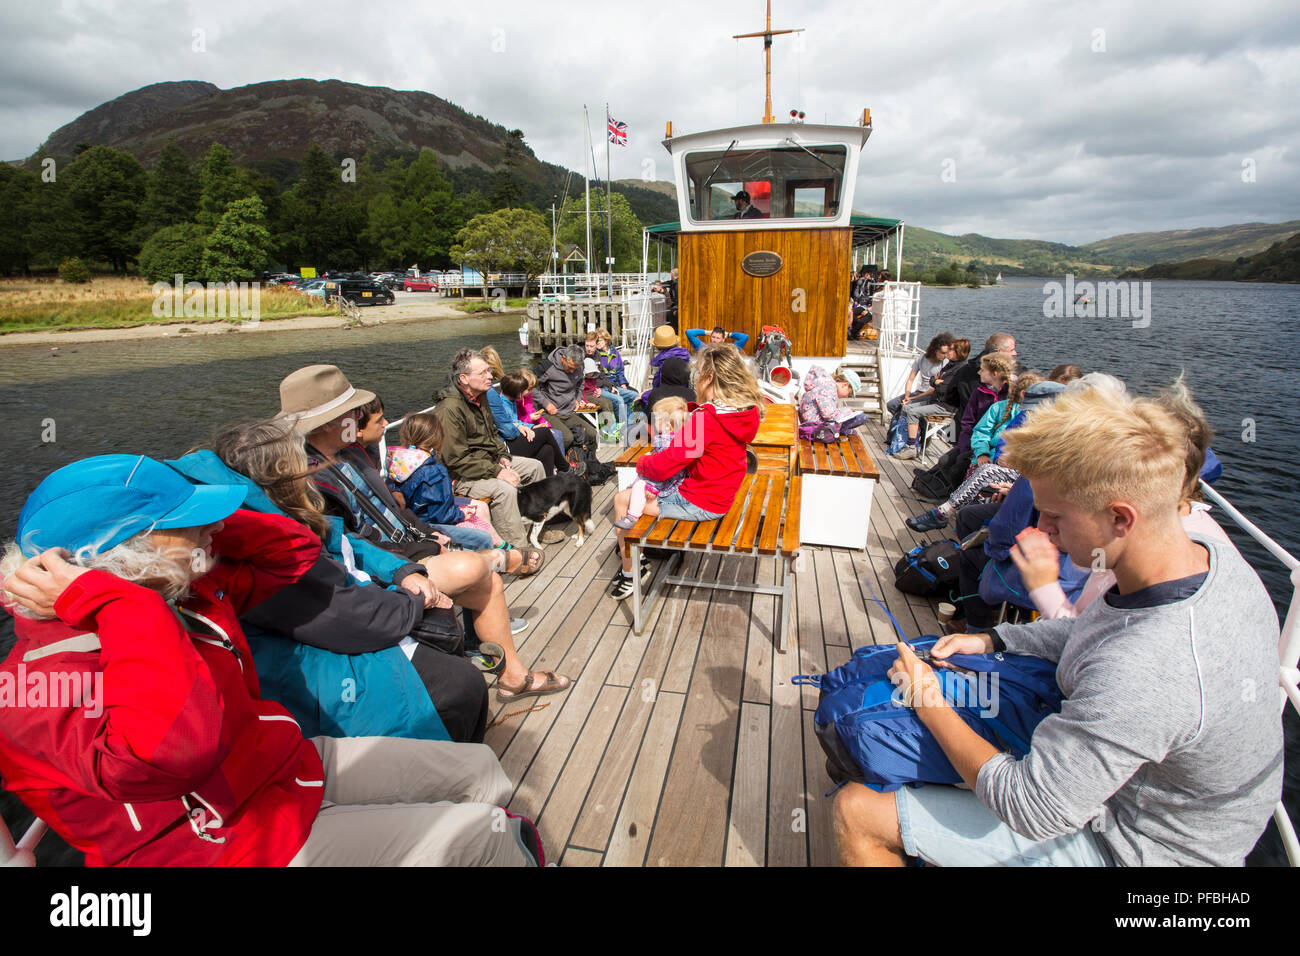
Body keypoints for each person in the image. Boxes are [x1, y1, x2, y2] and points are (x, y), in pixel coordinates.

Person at [0, 455, 541, 866]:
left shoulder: (180, 589)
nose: (210, 531)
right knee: (486, 835)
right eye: (187, 522)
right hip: (230, 841)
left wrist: (203, 527)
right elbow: (173, 756)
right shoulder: (42, 682)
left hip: (279, 767)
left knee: (480, 771)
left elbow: (295, 555)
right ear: (117, 558)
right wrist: (122, 603)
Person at [834, 385, 1283, 867]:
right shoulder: (1203, 561)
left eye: (1054, 516)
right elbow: (1094, 629)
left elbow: (1033, 807)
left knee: (857, 811)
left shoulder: (1154, 666)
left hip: (1138, 846)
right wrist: (992, 636)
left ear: (1120, 518)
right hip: (1134, 791)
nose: (1039, 530)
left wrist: (929, 699)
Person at [171, 426, 494, 744]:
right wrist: (416, 603)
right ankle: (439, 773)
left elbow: (342, 539)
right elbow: (347, 616)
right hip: (301, 668)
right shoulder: (262, 545)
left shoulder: (273, 516)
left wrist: (402, 571)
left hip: (346, 610)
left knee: (453, 635)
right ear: (283, 478)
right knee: (459, 683)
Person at [609, 344, 763, 600]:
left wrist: (642, 464)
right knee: (641, 495)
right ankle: (636, 553)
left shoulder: (707, 419)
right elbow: (710, 440)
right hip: (723, 492)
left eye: (699, 373)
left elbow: (663, 466)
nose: (696, 379)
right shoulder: (745, 410)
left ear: (709, 377)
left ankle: (631, 572)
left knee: (622, 500)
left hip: (701, 501)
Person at [433, 350, 560, 550]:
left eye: (489, 371)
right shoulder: (449, 409)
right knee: (504, 490)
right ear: (464, 378)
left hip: (488, 461)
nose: (490, 376)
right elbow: (455, 458)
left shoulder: (480, 397)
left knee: (535, 467)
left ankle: (538, 530)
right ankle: (518, 549)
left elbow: (492, 434)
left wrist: (502, 456)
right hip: (462, 475)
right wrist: (498, 472)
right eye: (483, 373)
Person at [906, 372, 1045, 531]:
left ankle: (947, 513)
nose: (978, 372)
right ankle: (960, 517)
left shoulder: (1039, 420)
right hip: (990, 457)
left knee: (984, 472)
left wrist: (1015, 461)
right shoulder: (1002, 408)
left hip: (1017, 471)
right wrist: (982, 453)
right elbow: (982, 433)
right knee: (957, 464)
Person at [386, 412, 506, 552]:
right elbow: (439, 514)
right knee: (482, 532)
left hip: (415, 515)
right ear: (436, 438)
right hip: (431, 523)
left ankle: (499, 544)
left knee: (481, 507)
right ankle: (494, 554)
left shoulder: (396, 461)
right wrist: (461, 514)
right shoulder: (433, 470)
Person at [479, 346, 567, 475]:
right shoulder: (493, 395)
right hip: (504, 446)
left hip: (506, 438)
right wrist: (525, 427)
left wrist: (522, 426)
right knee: (546, 433)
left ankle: (549, 485)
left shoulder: (503, 398)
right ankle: (565, 468)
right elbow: (508, 429)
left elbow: (509, 422)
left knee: (547, 449)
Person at [614, 396, 691, 530]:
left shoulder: (666, 442)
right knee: (638, 483)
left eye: (657, 419)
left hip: (665, 484)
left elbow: (664, 469)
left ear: (667, 424)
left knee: (638, 487)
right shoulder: (678, 437)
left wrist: (653, 488)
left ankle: (632, 516)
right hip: (672, 481)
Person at [886, 332, 956, 459]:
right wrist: (907, 395)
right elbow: (910, 379)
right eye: (943, 352)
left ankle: (917, 438)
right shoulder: (922, 359)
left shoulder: (945, 364)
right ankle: (898, 434)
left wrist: (911, 399)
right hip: (918, 393)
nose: (946, 356)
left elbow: (934, 388)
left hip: (930, 394)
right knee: (892, 404)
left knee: (907, 408)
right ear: (935, 349)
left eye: (947, 353)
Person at [532, 344, 608, 452]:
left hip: (568, 411)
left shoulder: (580, 366)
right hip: (549, 412)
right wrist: (546, 403)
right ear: (563, 358)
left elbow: (580, 384)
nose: (572, 371)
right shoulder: (547, 366)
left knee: (593, 435)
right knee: (567, 438)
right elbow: (530, 387)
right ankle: (563, 466)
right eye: (570, 367)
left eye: (575, 369)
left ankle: (589, 464)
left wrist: (577, 399)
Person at [586, 331, 639, 424]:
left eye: (600, 340)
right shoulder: (595, 354)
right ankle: (622, 428)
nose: (598, 343)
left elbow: (619, 370)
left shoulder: (613, 352)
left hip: (611, 383)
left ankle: (630, 424)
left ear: (606, 341)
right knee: (619, 400)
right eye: (596, 341)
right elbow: (594, 377)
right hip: (600, 387)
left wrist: (621, 384)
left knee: (634, 395)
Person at [798, 364, 869, 433]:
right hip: (815, 428)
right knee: (861, 417)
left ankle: (842, 430)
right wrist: (847, 411)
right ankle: (841, 430)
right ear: (845, 385)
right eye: (849, 393)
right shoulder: (828, 388)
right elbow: (828, 415)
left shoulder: (827, 383)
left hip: (811, 422)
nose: (847, 396)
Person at [645, 325, 691, 398]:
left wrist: (644, 395)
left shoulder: (664, 362)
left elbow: (662, 390)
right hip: (685, 396)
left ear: (657, 346)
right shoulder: (683, 356)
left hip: (667, 400)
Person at [685, 326, 751, 351]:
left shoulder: (729, 350)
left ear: (723, 339)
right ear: (710, 337)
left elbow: (745, 337)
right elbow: (689, 333)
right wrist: (708, 332)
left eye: (718, 338)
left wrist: (728, 334)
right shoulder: (703, 349)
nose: (715, 340)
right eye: (713, 337)